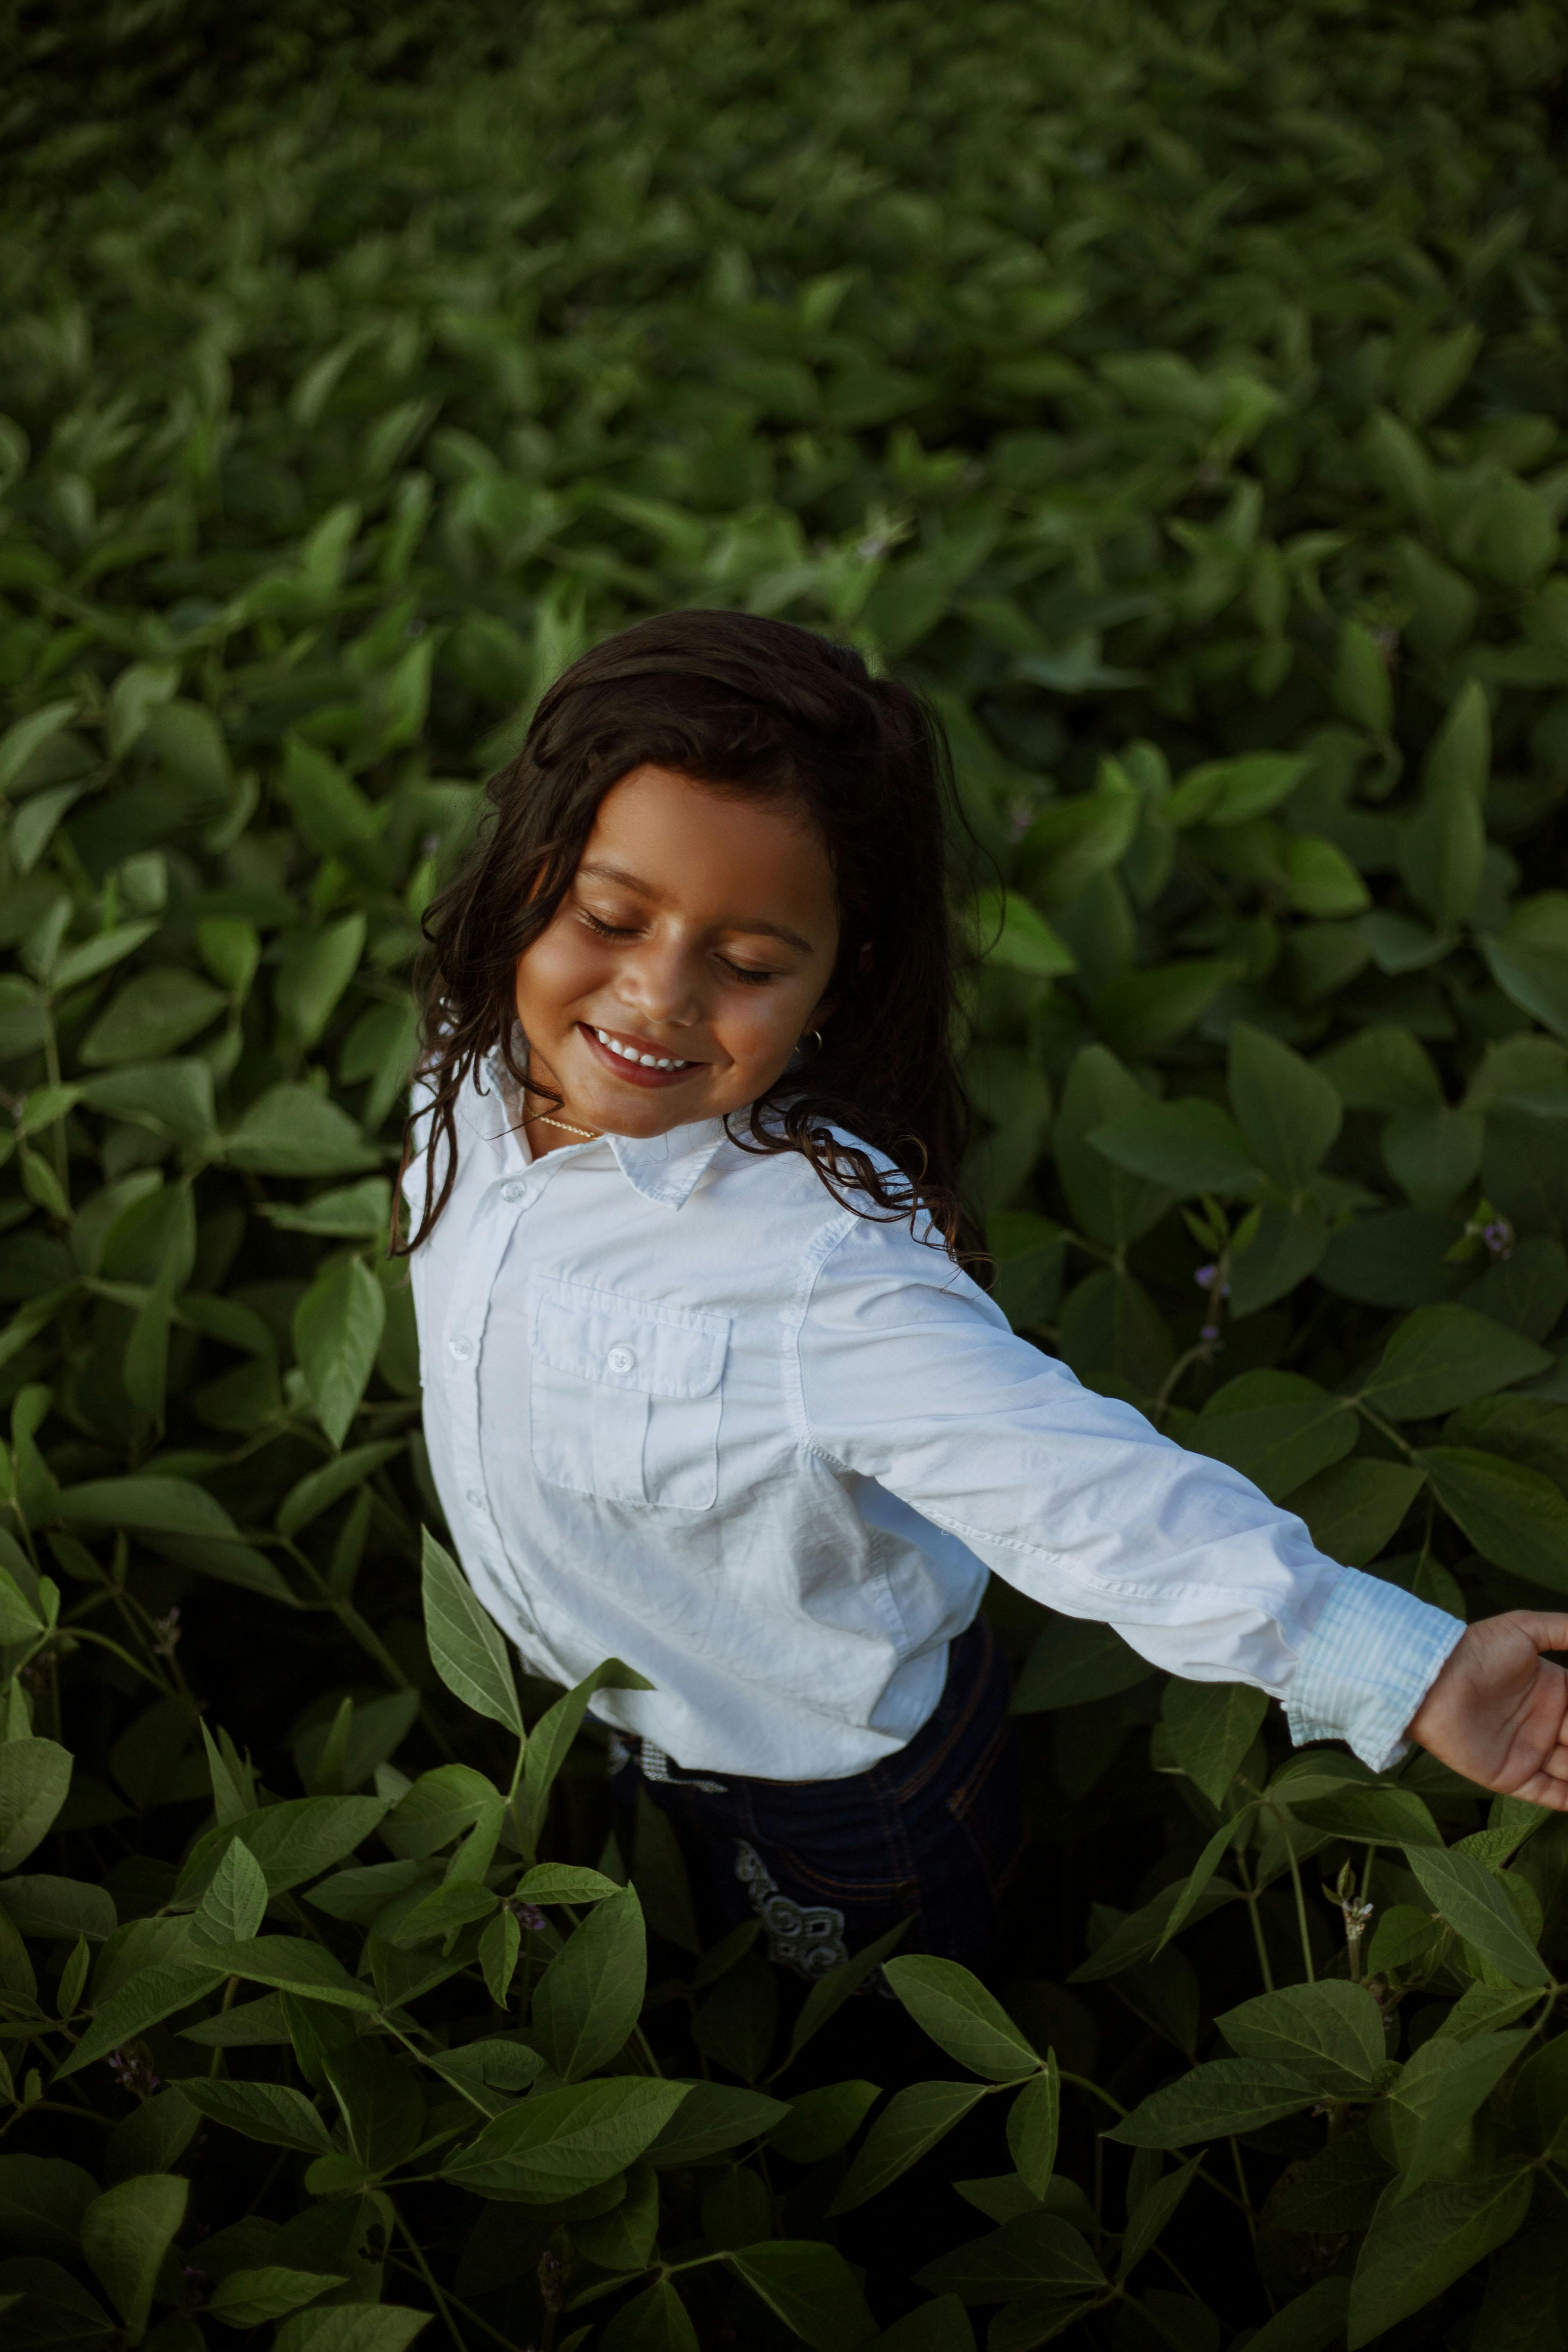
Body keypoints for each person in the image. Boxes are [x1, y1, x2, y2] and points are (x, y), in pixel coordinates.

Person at [398, 609, 1568, 1977]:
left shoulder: (820, 1269)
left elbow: (1087, 1494)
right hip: (606, 1725)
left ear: (840, 981)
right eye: (609, 917)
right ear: (525, 876)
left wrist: (1410, 1669)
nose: (657, 994)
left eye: (753, 966)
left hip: (839, 1792)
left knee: (880, 2074)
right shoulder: (465, 1082)